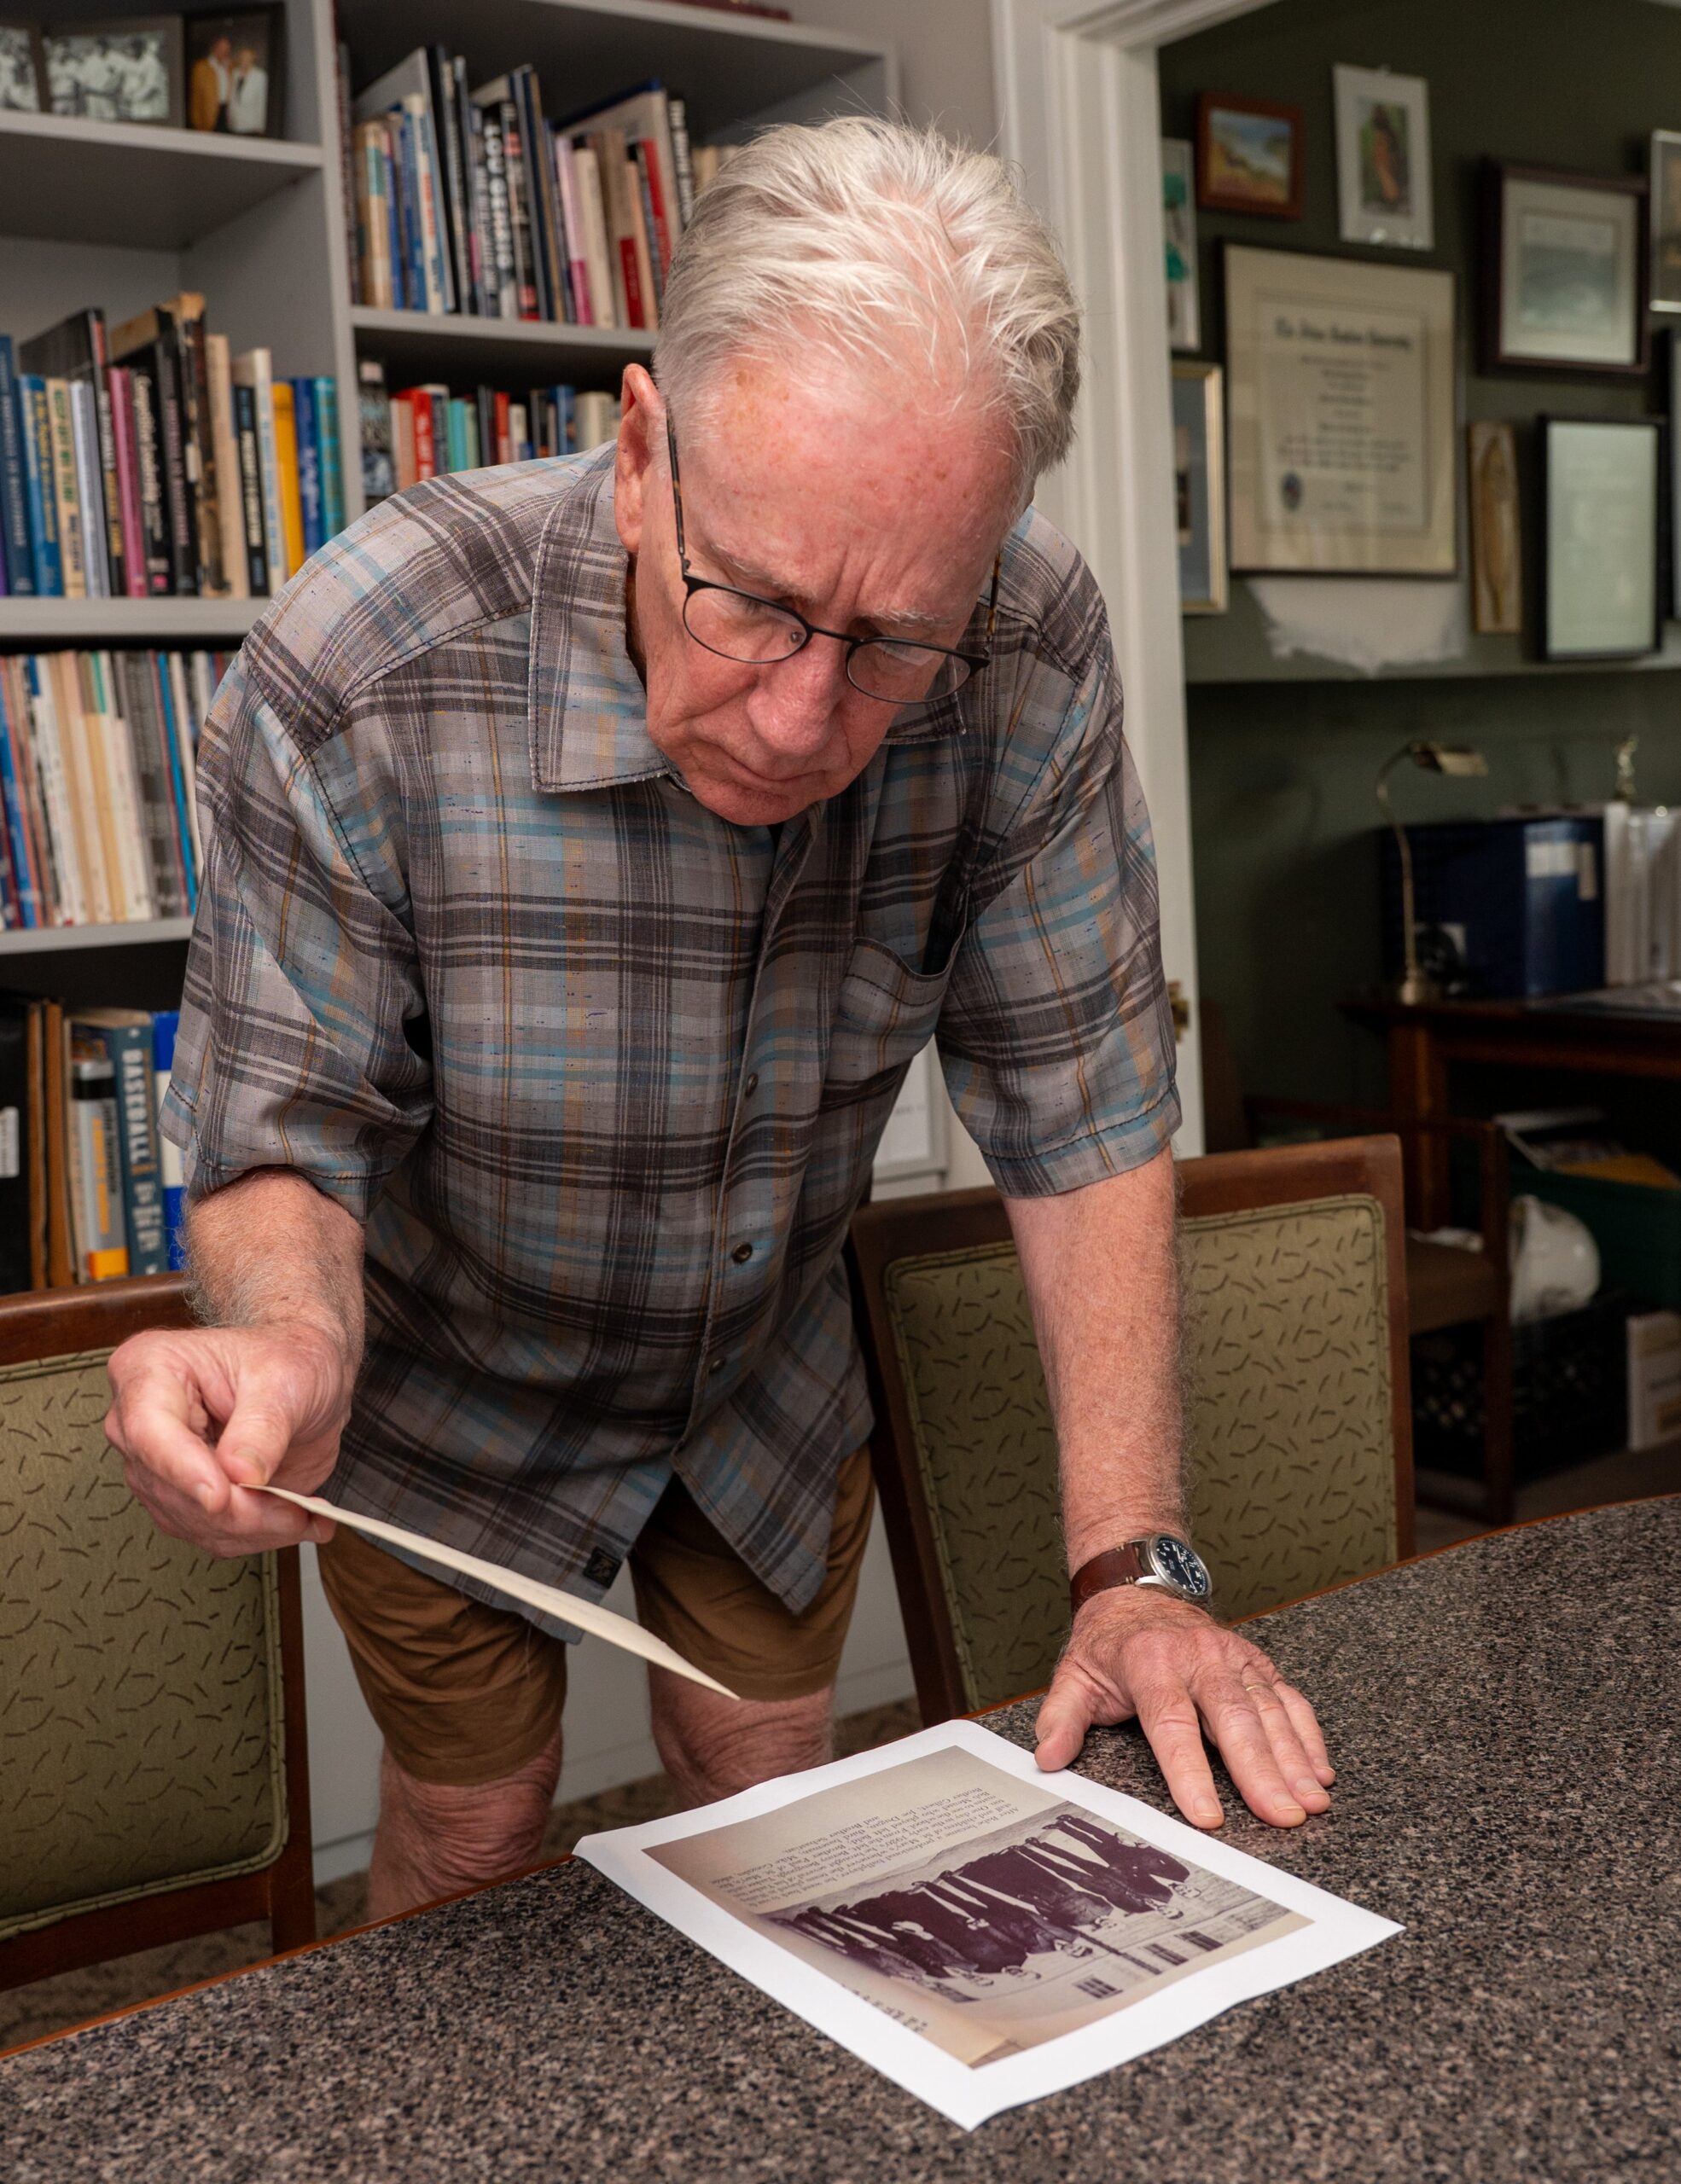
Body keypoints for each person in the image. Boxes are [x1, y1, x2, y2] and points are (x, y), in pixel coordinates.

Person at [104, 119, 1335, 1924]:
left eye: (895, 642)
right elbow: (280, 1122)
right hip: (436, 1391)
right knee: (473, 1829)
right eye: (748, 599)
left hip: (762, 1377)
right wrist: (288, 1337)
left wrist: (1133, 1562)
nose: (796, 714)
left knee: (774, 1811)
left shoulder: (1032, 645)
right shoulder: (363, 659)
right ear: (636, 452)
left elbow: (1083, 1112)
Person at [189, 32, 230, 131]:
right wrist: (197, 123)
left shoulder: (229, 67)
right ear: (215, 48)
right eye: (223, 49)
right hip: (209, 114)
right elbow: (196, 97)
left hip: (227, 112)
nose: (226, 52)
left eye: (227, 49)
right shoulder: (201, 67)